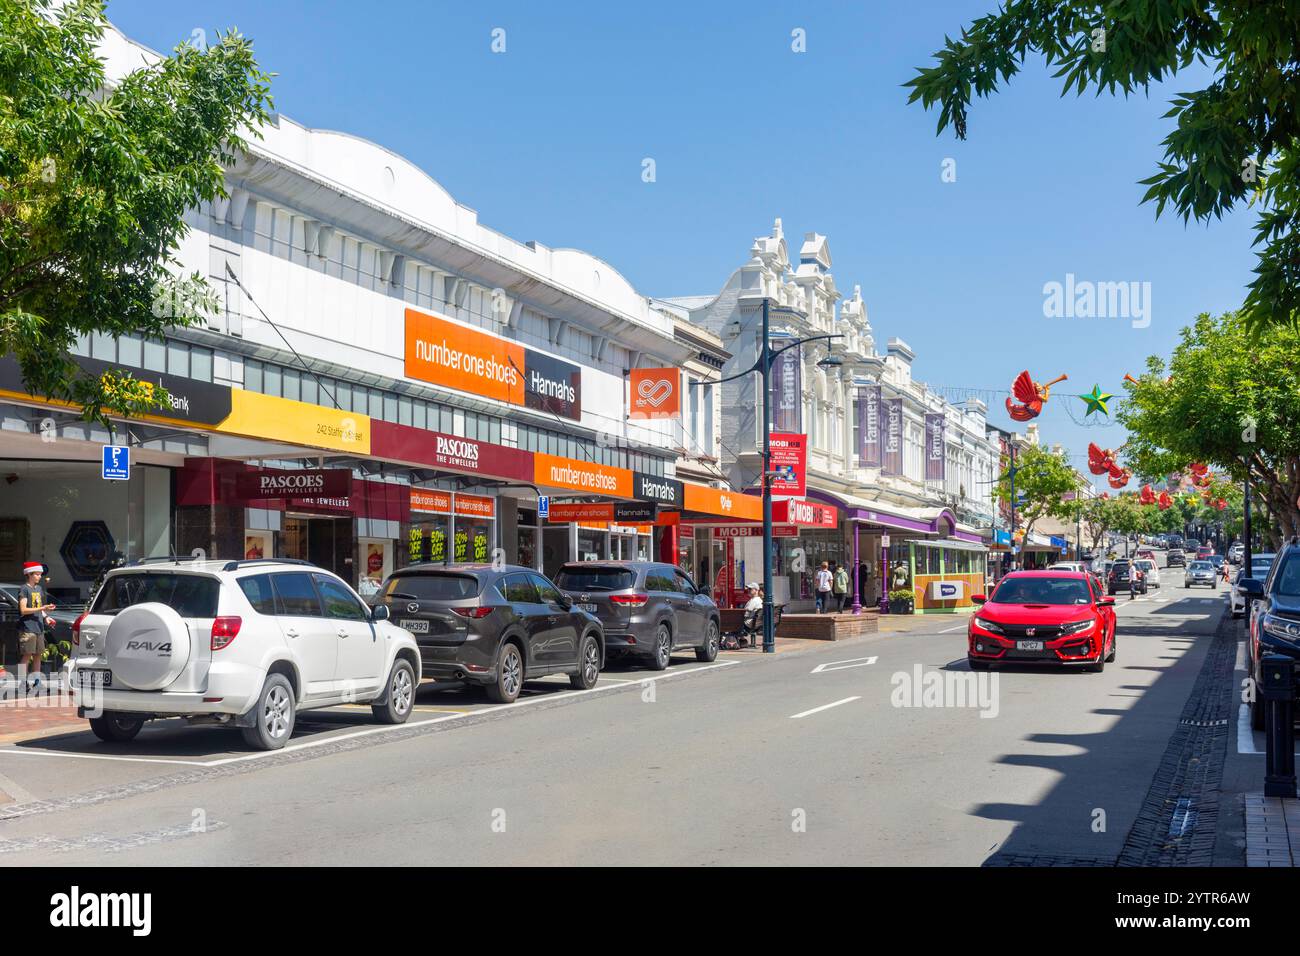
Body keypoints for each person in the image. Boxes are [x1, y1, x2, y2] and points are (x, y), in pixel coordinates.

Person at [17, 561, 56, 692]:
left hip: (39, 627)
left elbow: (39, 608)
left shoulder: (38, 589)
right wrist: (42, 607)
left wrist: (46, 617)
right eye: (37, 574)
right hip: (28, 628)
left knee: (38, 655)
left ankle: (37, 682)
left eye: (40, 574)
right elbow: (23, 609)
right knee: (27, 655)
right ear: (29, 574)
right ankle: (23, 683)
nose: (40, 576)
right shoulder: (24, 588)